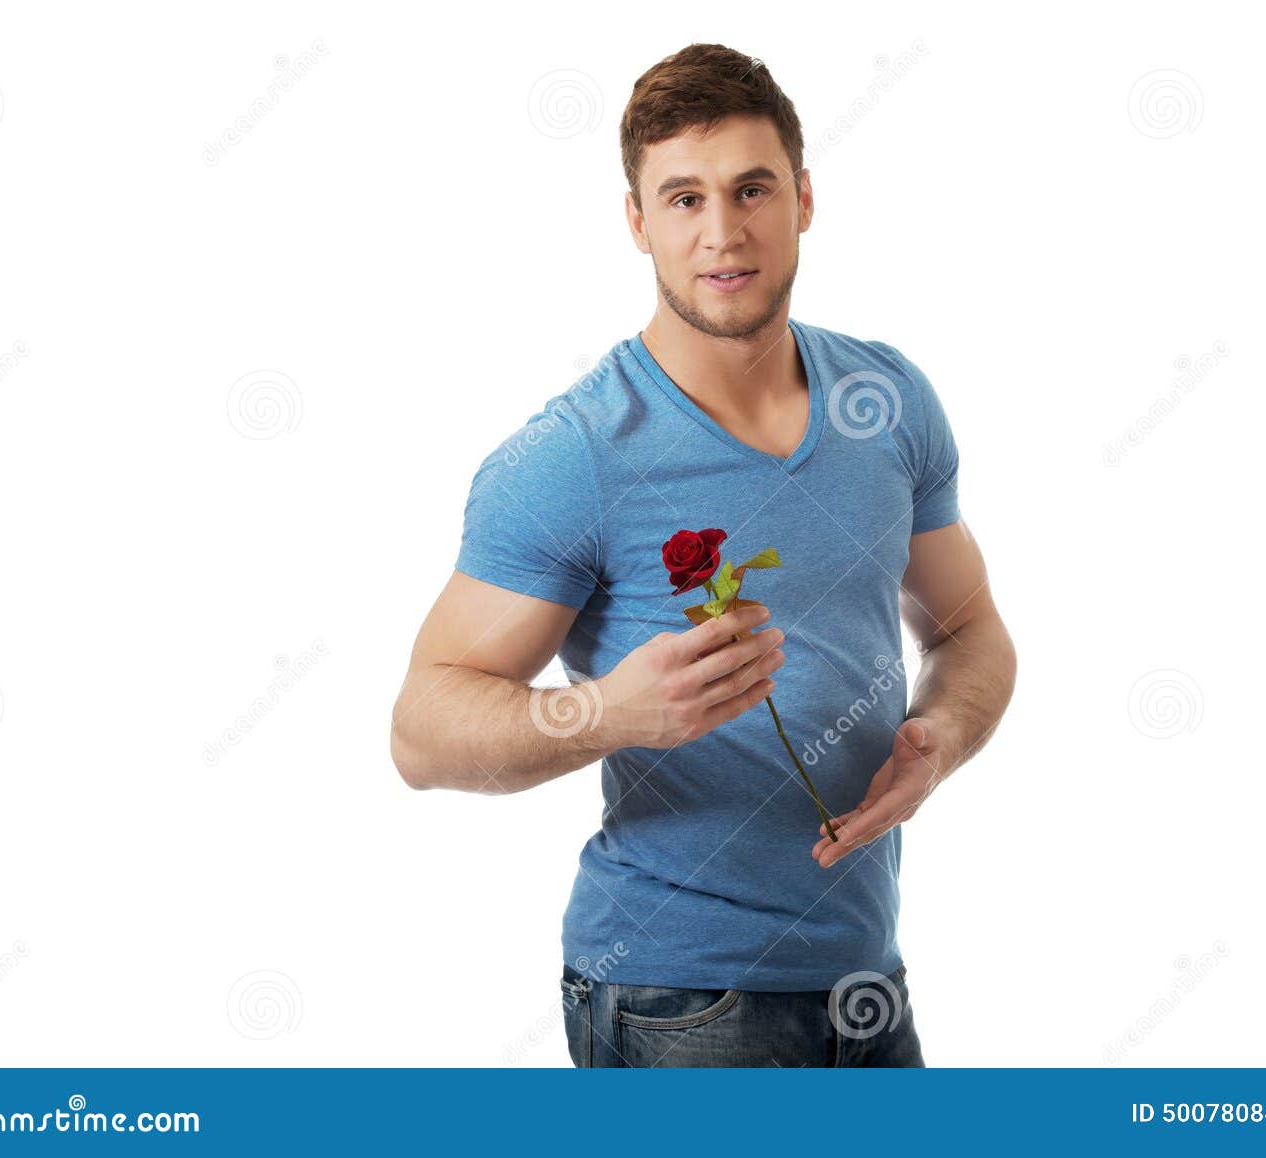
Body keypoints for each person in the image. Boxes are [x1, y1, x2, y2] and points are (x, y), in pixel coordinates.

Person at [390, 42, 1016, 1067]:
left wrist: (939, 738)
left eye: (751, 188)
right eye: (682, 198)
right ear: (636, 221)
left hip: (866, 977)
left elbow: (972, 628)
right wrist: (604, 711)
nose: (722, 233)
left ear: (804, 198)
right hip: (678, 999)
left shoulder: (888, 402)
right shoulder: (575, 455)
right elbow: (420, 731)